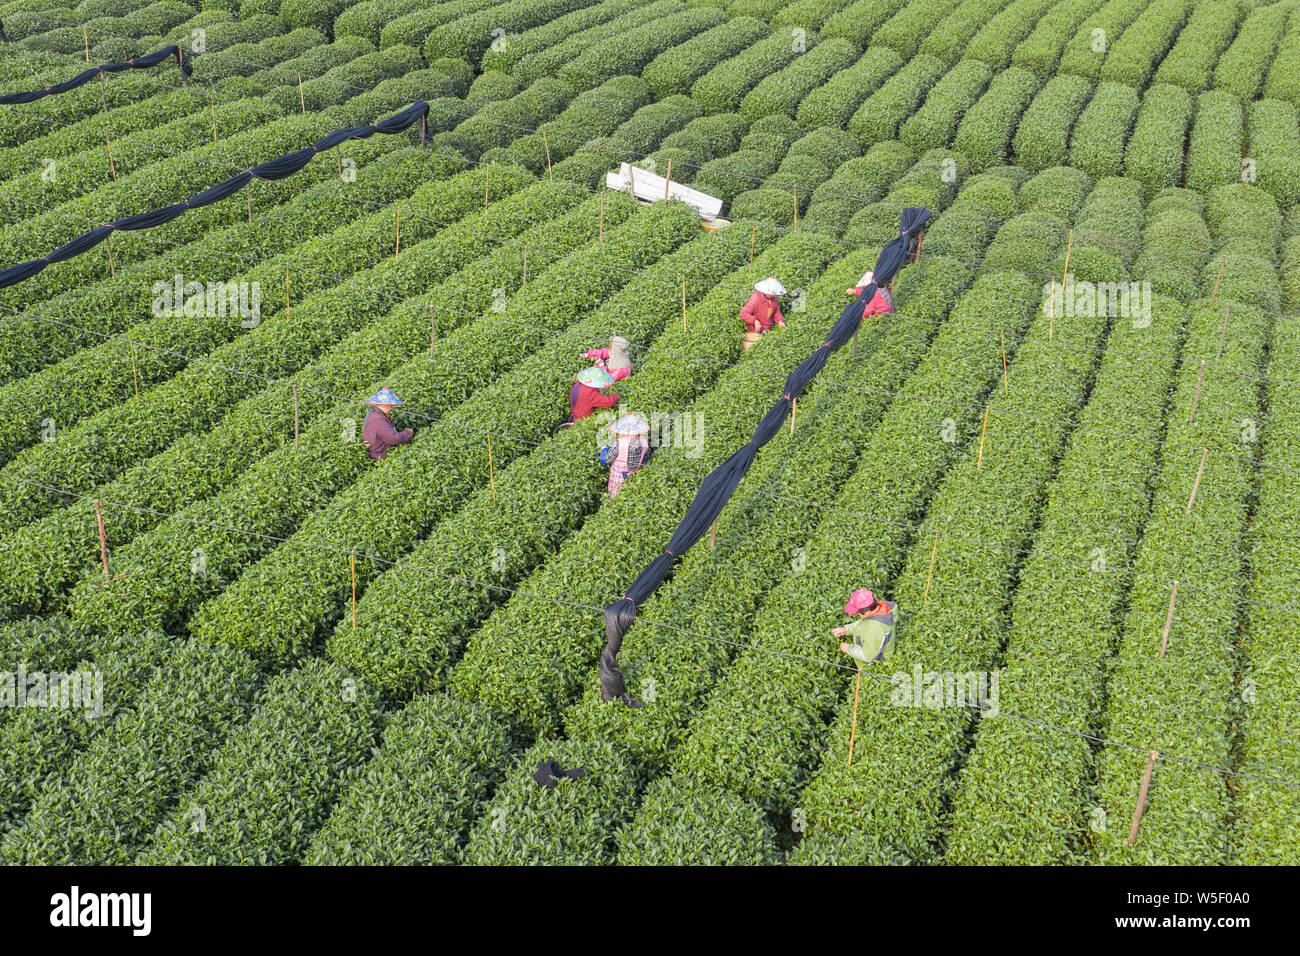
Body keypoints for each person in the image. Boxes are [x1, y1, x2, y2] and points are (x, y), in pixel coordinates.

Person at [832, 588, 897, 665]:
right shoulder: (883, 609)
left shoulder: (874, 629)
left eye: (857, 613)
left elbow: (868, 656)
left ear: (867, 612)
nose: (857, 614)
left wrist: (849, 649)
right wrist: (846, 630)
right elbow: (864, 624)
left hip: (875, 664)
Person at [601, 414, 650, 498]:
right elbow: (645, 458)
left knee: (615, 497)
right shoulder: (644, 442)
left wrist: (604, 450)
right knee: (629, 495)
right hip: (634, 474)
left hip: (618, 476)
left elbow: (606, 460)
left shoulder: (620, 442)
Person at [362, 386, 413, 461]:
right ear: (386, 405)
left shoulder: (374, 412)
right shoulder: (378, 418)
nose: (391, 407)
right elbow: (393, 439)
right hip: (378, 457)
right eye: (391, 405)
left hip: (376, 452)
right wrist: (408, 433)